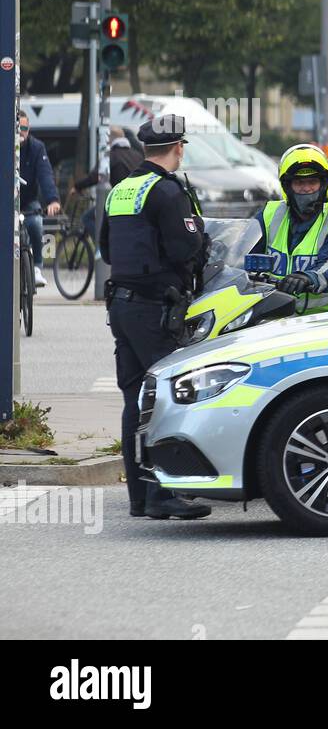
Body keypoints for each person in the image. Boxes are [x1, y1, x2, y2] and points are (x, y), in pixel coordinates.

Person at [100, 114, 210, 521]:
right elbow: (185, 248)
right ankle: (162, 495)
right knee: (165, 395)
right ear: (178, 148)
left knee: (134, 400)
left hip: (122, 305)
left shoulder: (121, 190)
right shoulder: (167, 192)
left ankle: (139, 496)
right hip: (153, 308)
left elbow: (108, 251)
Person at [253, 144, 328, 314]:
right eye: (300, 182)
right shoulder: (269, 214)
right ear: (287, 186)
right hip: (278, 316)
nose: (306, 188)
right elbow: (242, 254)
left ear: (323, 184)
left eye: (312, 182)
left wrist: (309, 277)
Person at [17, 112, 61, 287]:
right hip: (6, 201)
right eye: (17, 128)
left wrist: (53, 200)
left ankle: (36, 268)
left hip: (28, 200)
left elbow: (45, 174)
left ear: (29, 129)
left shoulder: (37, 148)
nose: (21, 132)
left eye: (24, 128)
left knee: (35, 223)